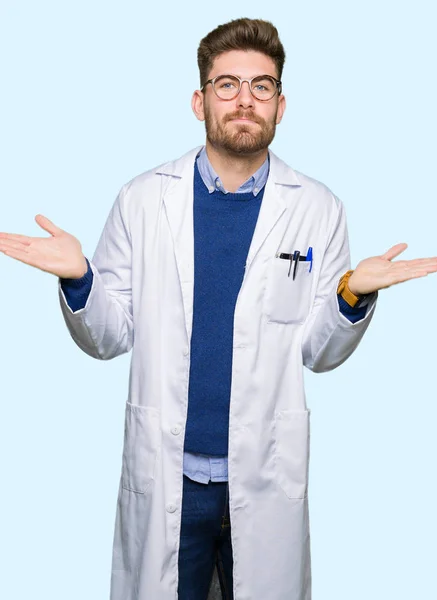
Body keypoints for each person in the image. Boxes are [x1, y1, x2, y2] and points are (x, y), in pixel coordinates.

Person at [0, 17, 436, 600]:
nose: (244, 100)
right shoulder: (143, 198)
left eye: (261, 86)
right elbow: (109, 336)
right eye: (227, 84)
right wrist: (80, 279)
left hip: (261, 474)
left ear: (281, 106)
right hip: (169, 477)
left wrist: (353, 295)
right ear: (199, 99)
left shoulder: (319, 208)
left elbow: (317, 352)